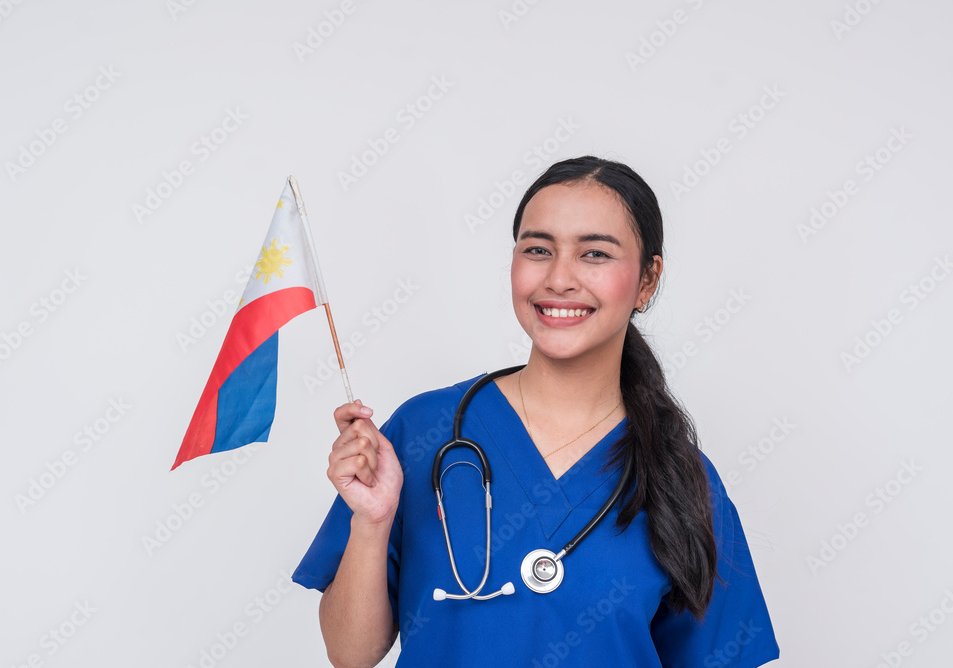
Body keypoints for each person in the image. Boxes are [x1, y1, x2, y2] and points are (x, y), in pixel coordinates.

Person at [292, 155, 780, 667]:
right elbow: (350, 655)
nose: (559, 278)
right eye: (539, 249)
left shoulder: (683, 479)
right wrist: (372, 522)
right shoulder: (425, 431)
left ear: (647, 281)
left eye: (595, 254)